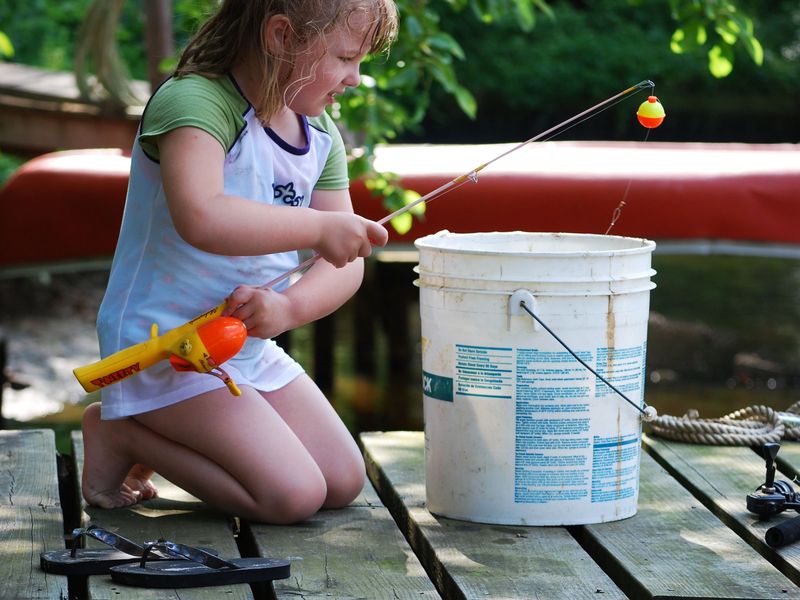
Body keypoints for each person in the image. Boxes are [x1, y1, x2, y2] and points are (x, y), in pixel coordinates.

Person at [80, 0, 398, 524]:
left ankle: (143, 434)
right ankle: (120, 430)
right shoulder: (195, 103)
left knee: (341, 480)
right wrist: (321, 229)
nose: (356, 78)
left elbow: (344, 263)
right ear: (281, 36)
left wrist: (289, 310)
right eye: (344, 57)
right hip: (163, 348)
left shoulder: (319, 135)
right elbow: (201, 216)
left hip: (236, 347)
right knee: (291, 497)